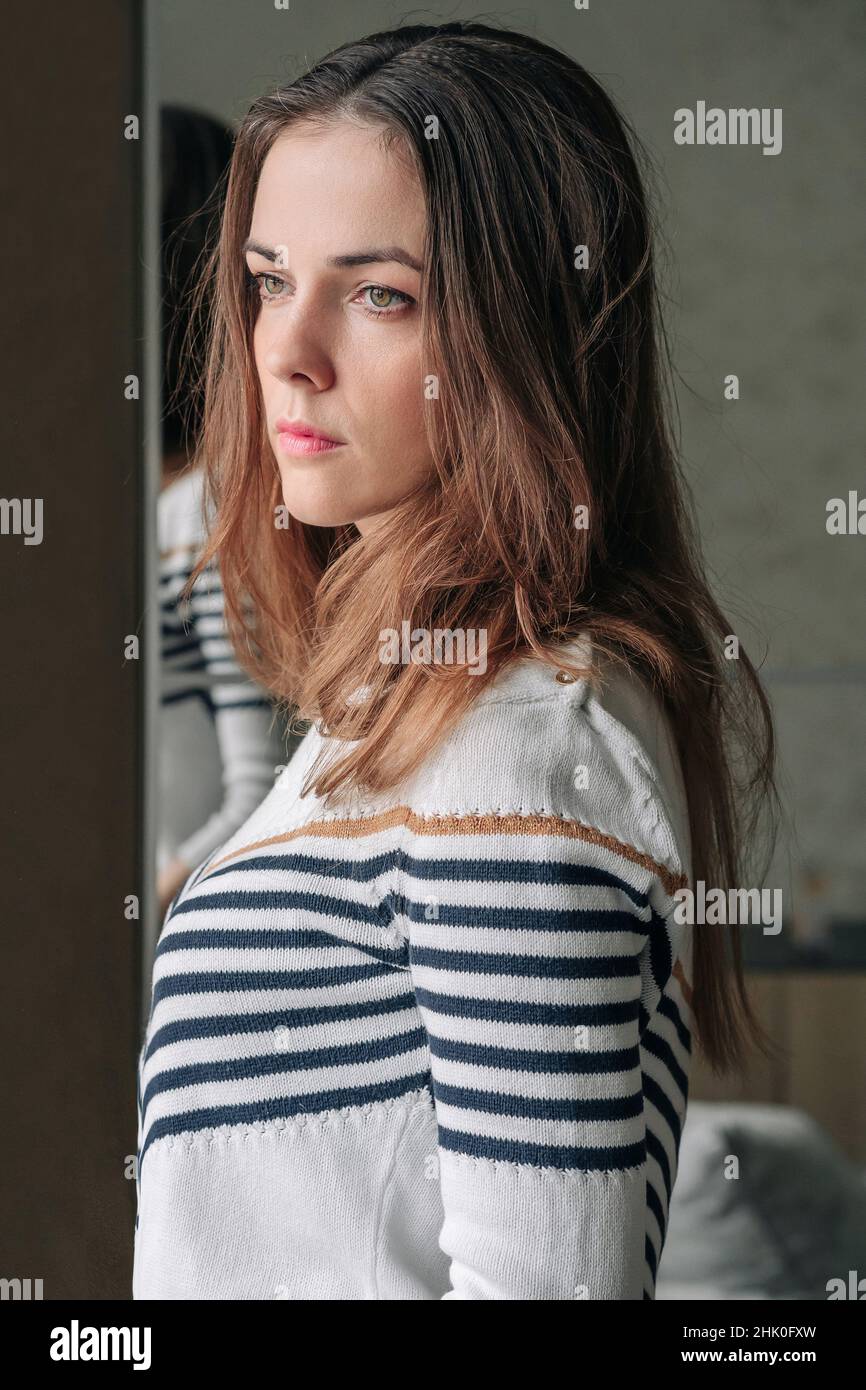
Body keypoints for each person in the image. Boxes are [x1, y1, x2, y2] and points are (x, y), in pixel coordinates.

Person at [133, 21, 780, 1300]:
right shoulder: (396, 710)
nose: (285, 349)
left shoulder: (521, 735)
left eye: (379, 294)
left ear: (526, 330)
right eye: (268, 279)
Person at [156, 106, 295, 918]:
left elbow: (259, 791)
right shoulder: (154, 508)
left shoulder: (209, 507)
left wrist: (137, 919)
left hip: (165, 954)